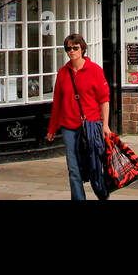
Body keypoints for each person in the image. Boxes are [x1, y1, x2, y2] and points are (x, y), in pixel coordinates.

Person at [46, 33, 111, 200]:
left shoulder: (95, 70)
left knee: (95, 167)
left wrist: (105, 125)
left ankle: (103, 195)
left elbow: (104, 100)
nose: (72, 51)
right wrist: (52, 128)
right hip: (69, 127)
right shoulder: (62, 73)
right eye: (68, 48)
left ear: (82, 49)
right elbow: (57, 103)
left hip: (91, 126)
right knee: (73, 169)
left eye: (75, 48)